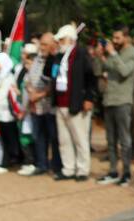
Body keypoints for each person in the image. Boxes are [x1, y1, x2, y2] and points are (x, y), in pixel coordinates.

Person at [51, 24, 98, 181]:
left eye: (61, 40)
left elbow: (91, 78)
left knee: (80, 138)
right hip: (60, 103)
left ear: (70, 40)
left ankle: (82, 169)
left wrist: (89, 98)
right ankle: (68, 168)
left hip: (76, 103)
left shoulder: (81, 54)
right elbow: (53, 75)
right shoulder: (58, 56)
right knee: (64, 139)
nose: (59, 43)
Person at [95, 27, 134, 185]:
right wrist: (99, 56)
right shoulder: (116, 53)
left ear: (126, 38)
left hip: (123, 101)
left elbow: (124, 71)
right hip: (109, 100)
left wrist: (112, 53)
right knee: (111, 139)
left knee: (125, 140)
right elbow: (100, 71)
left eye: (118, 37)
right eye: (113, 38)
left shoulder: (133, 53)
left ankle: (126, 173)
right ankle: (113, 171)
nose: (114, 41)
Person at [24, 32, 61, 177]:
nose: (42, 47)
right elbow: (29, 79)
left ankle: (57, 165)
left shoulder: (55, 60)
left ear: (53, 44)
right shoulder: (37, 59)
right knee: (38, 137)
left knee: (53, 137)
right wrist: (30, 92)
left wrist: (39, 95)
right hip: (36, 106)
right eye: (41, 44)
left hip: (49, 106)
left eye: (45, 44)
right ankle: (41, 164)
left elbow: (54, 83)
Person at [0, 52, 21, 172]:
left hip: (6, 113)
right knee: (0, 138)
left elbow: (3, 94)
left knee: (9, 137)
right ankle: (0, 161)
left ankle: (9, 160)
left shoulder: (8, 77)